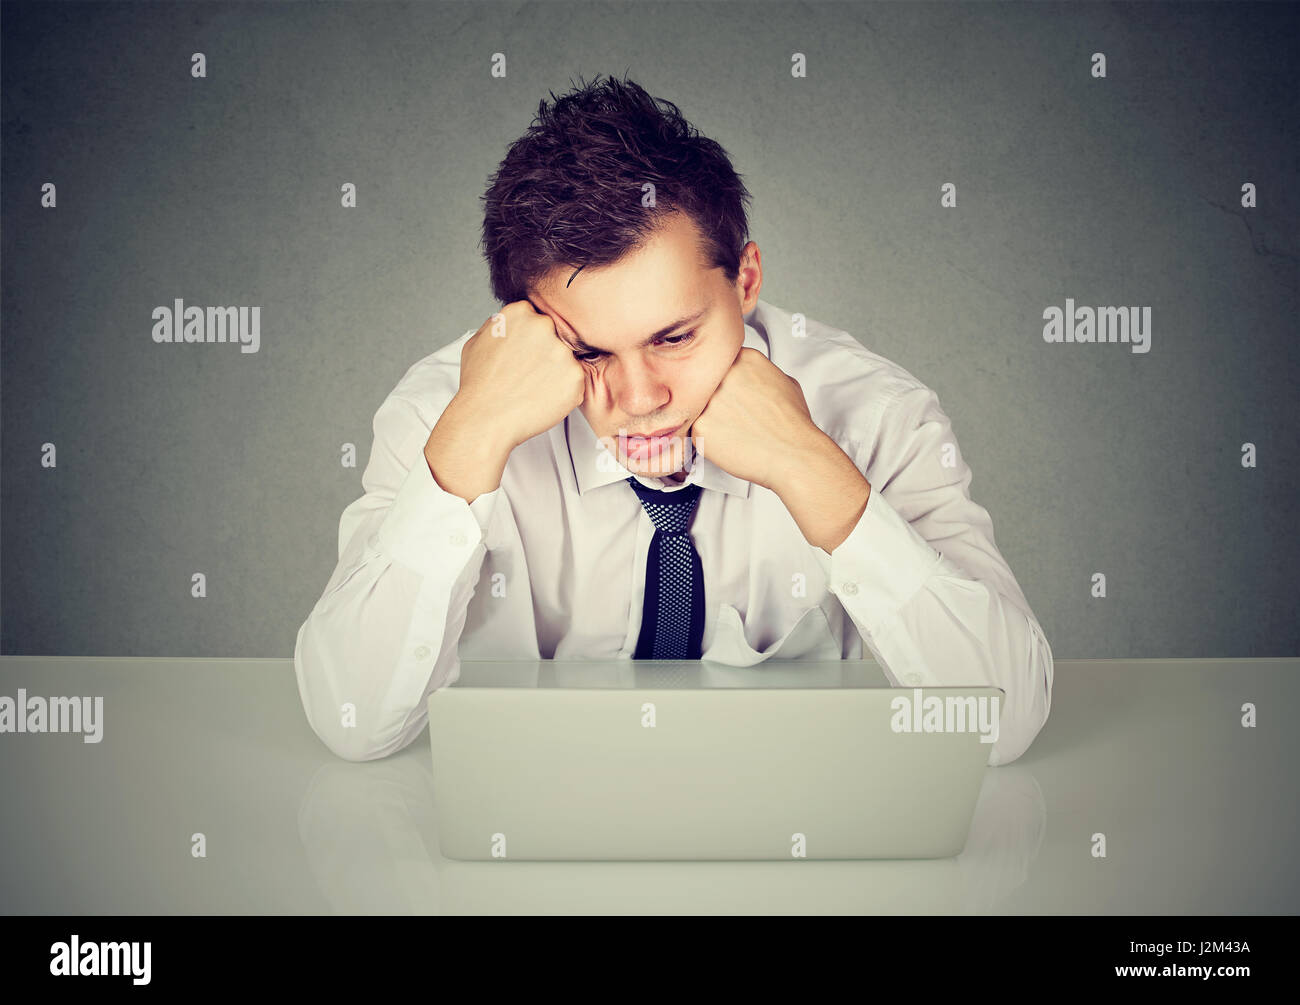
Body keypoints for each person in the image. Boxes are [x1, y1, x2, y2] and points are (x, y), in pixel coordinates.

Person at [294, 74, 1053, 767]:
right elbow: (354, 722)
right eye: (588, 349)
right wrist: (469, 444)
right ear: (523, 323)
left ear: (746, 279)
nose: (639, 396)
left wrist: (813, 469)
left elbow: (1002, 722)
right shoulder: (444, 417)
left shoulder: (876, 413)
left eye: (675, 337)